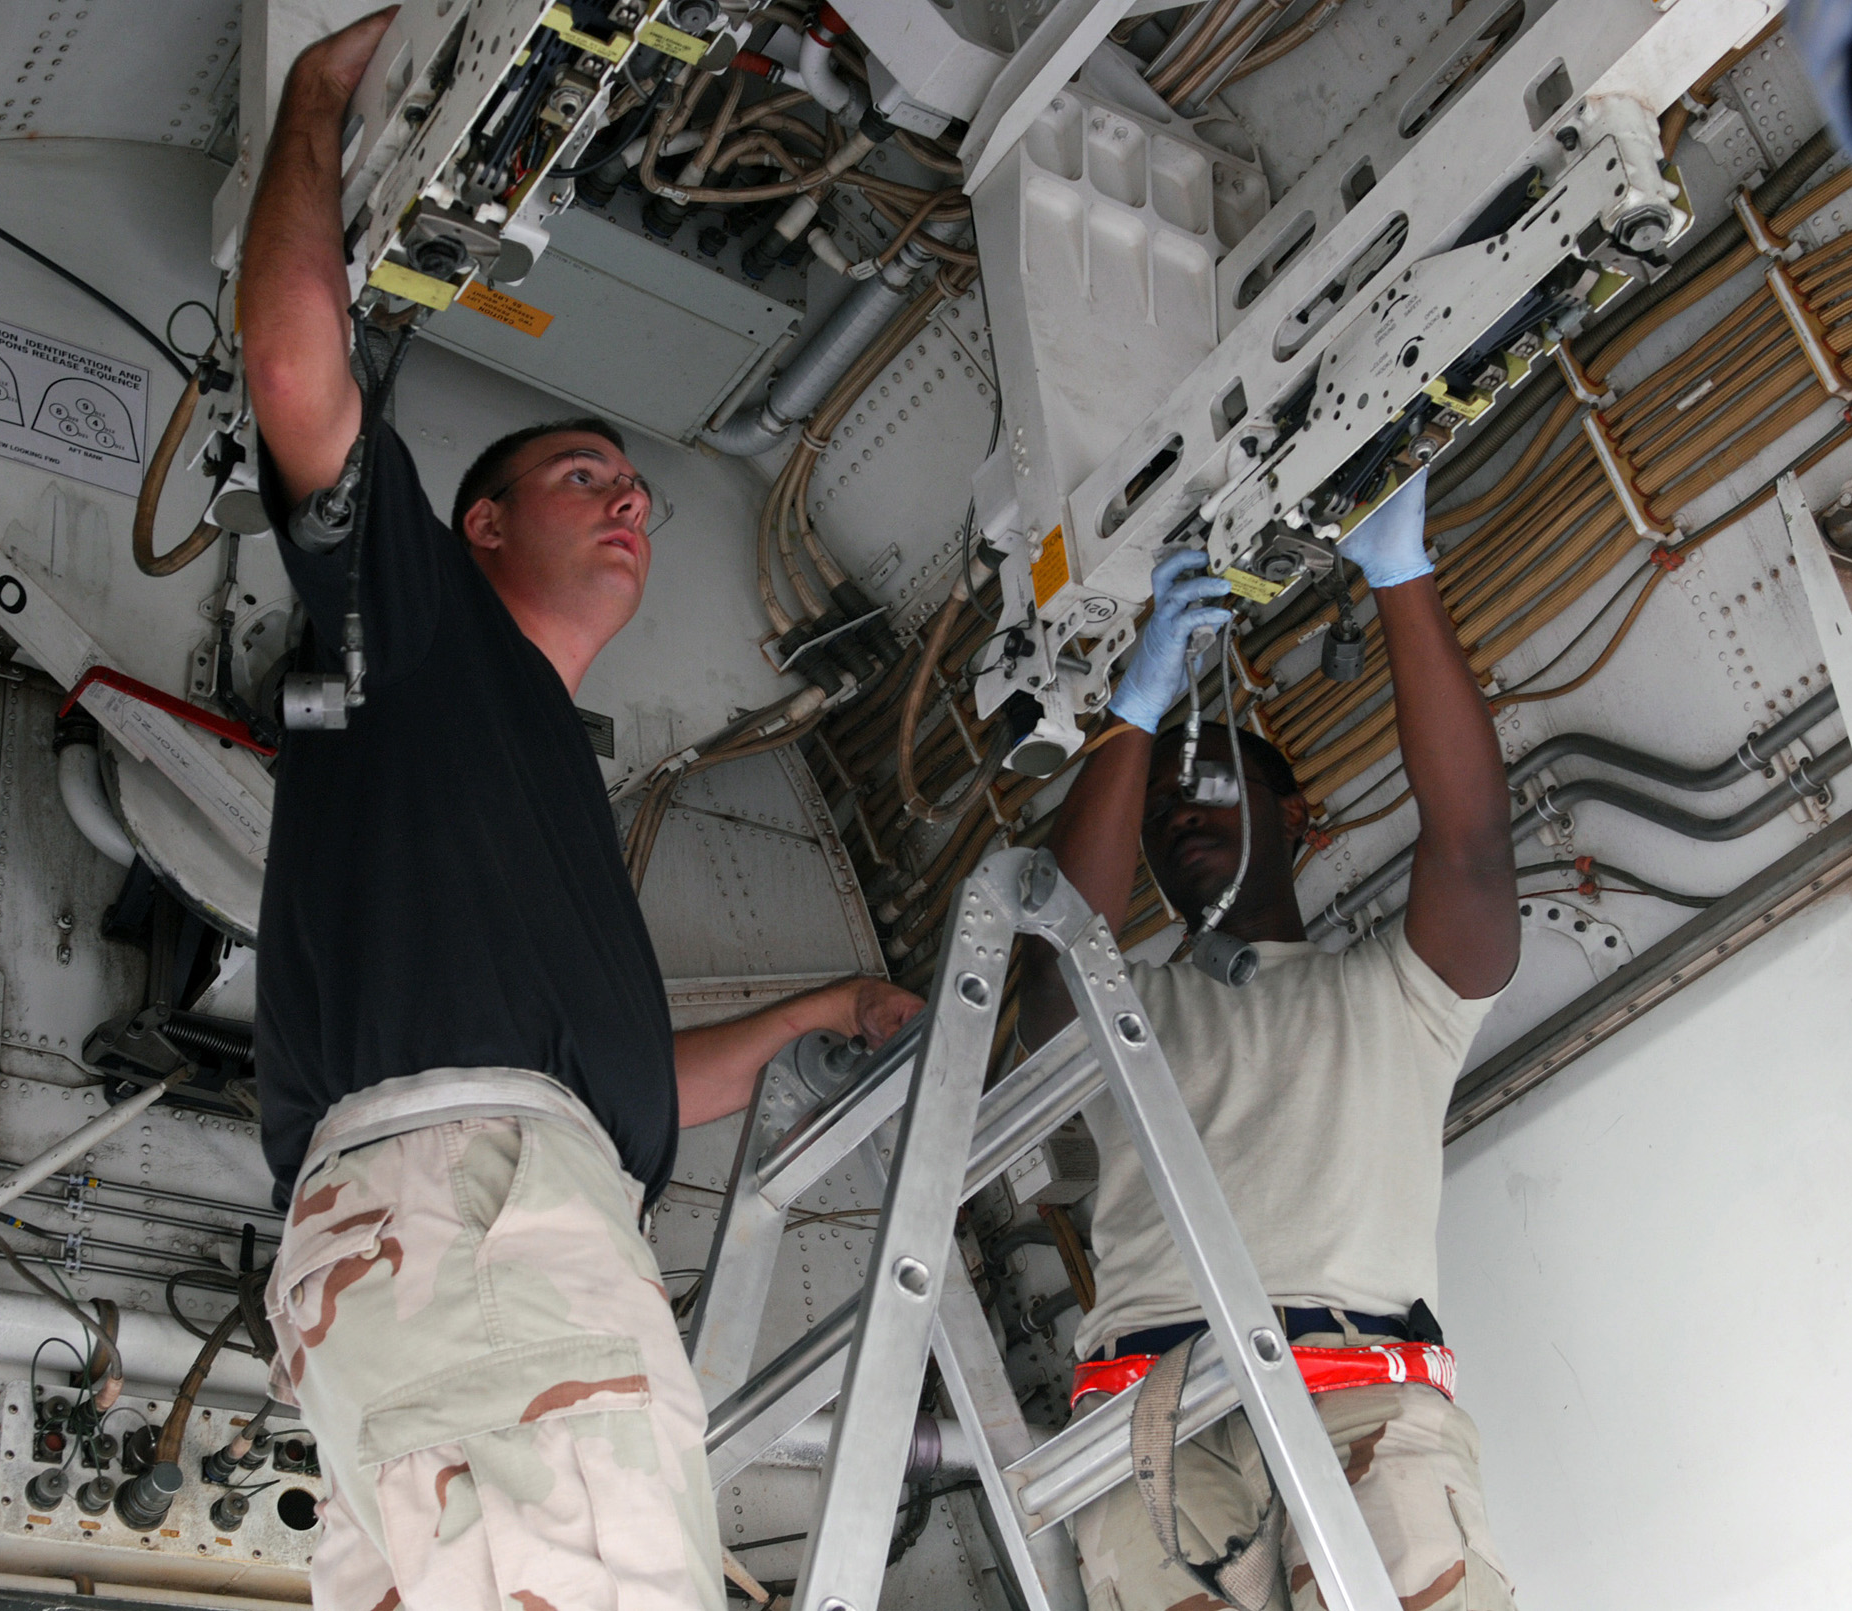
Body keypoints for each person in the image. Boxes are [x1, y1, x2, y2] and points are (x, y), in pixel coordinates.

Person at [239, 14, 920, 1610]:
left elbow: (597, 1083)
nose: (631, 501)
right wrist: (315, 98)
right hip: (479, 1218)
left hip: (468, 1226)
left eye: (637, 490)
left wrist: (811, 1008)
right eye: (583, 479)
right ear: (475, 529)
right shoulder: (412, 633)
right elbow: (291, 364)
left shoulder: (530, 750)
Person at [1020, 473, 1522, 1611]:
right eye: (1157, 817)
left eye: (1207, 788)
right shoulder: (1130, 1004)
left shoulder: (1403, 992)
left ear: (1299, 820)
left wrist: (1399, 576)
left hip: (1354, 1392)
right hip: (1154, 1417)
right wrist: (1130, 722)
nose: (1180, 818)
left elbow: (1475, 847)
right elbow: (1055, 963)